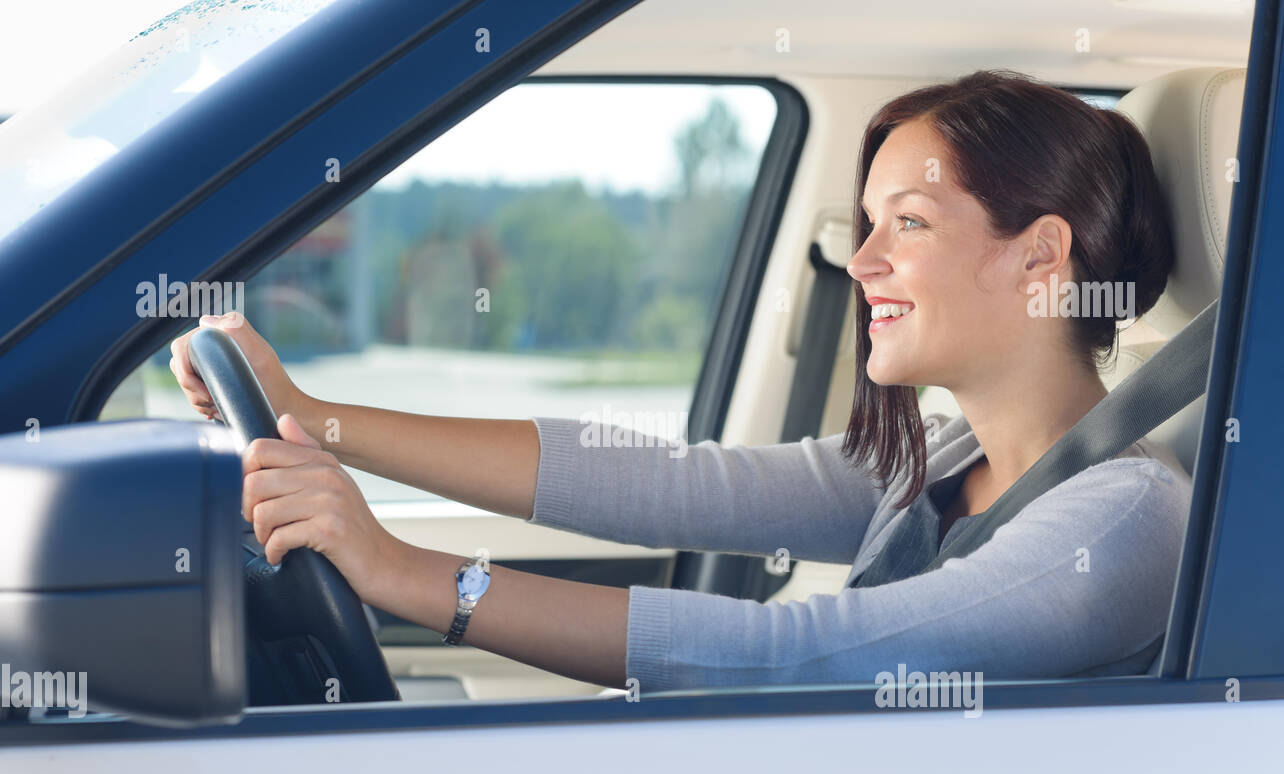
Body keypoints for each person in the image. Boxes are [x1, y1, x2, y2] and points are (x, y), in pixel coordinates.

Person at [170, 70, 1191, 693]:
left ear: (1039, 256)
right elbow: (668, 479)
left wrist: (401, 573)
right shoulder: (945, 455)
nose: (863, 257)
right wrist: (320, 418)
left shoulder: (1122, 520)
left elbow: (801, 654)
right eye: (868, 222)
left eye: (908, 224)